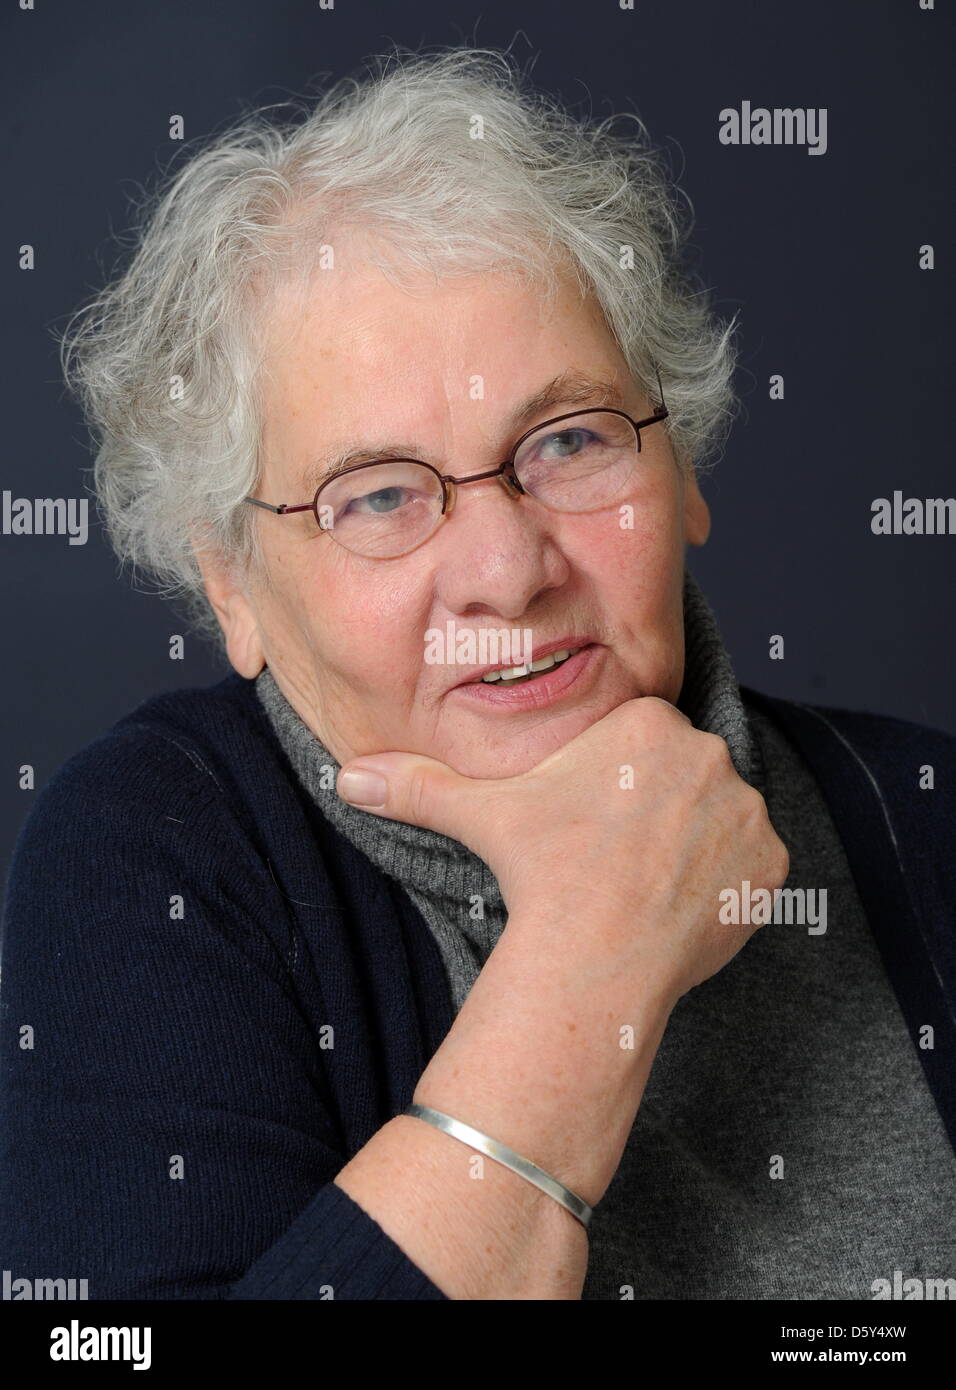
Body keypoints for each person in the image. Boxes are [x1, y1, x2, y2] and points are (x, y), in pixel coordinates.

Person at [1, 47, 953, 1302]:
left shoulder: (924, 819)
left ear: (683, 471)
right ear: (233, 585)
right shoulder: (152, 860)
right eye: (381, 493)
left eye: (566, 440)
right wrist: (582, 955)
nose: (505, 569)